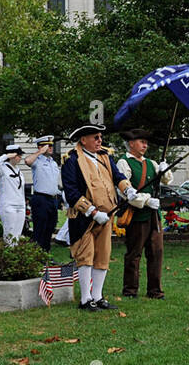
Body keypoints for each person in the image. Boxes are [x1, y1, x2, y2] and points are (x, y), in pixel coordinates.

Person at [60, 124, 145, 310]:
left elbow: (117, 175)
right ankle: (85, 299)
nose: (100, 141)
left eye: (100, 137)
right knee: (86, 256)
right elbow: (71, 191)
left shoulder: (105, 156)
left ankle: (98, 297)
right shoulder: (71, 160)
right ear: (83, 140)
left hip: (107, 215)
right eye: (95, 137)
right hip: (84, 217)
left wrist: (128, 189)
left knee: (102, 256)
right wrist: (92, 211)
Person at [118, 130, 171, 299]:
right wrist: (147, 200)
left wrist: (165, 169)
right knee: (134, 253)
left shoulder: (151, 163)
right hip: (136, 214)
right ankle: (130, 290)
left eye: (146, 142)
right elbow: (124, 191)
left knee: (156, 252)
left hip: (153, 215)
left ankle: (155, 290)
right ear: (131, 143)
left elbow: (166, 180)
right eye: (142, 141)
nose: (145, 145)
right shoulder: (123, 163)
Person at [28, 135, 62, 252]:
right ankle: (38, 256)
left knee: (50, 228)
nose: (51, 148)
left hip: (53, 200)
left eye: (52, 145)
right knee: (40, 229)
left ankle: (46, 255)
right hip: (41, 199)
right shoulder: (37, 161)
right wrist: (39, 152)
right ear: (41, 147)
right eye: (48, 146)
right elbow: (27, 161)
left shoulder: (53, 162)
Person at [0, 144, 27, 243]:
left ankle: (15, 254)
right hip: (8, 205)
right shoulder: (2, 168)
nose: (20, 158)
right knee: (9, 232)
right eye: (18, 155)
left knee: (17, 233)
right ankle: (9, 254)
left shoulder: (18, 170)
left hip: (20, 205)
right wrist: (6, 156)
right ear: (12, 155)